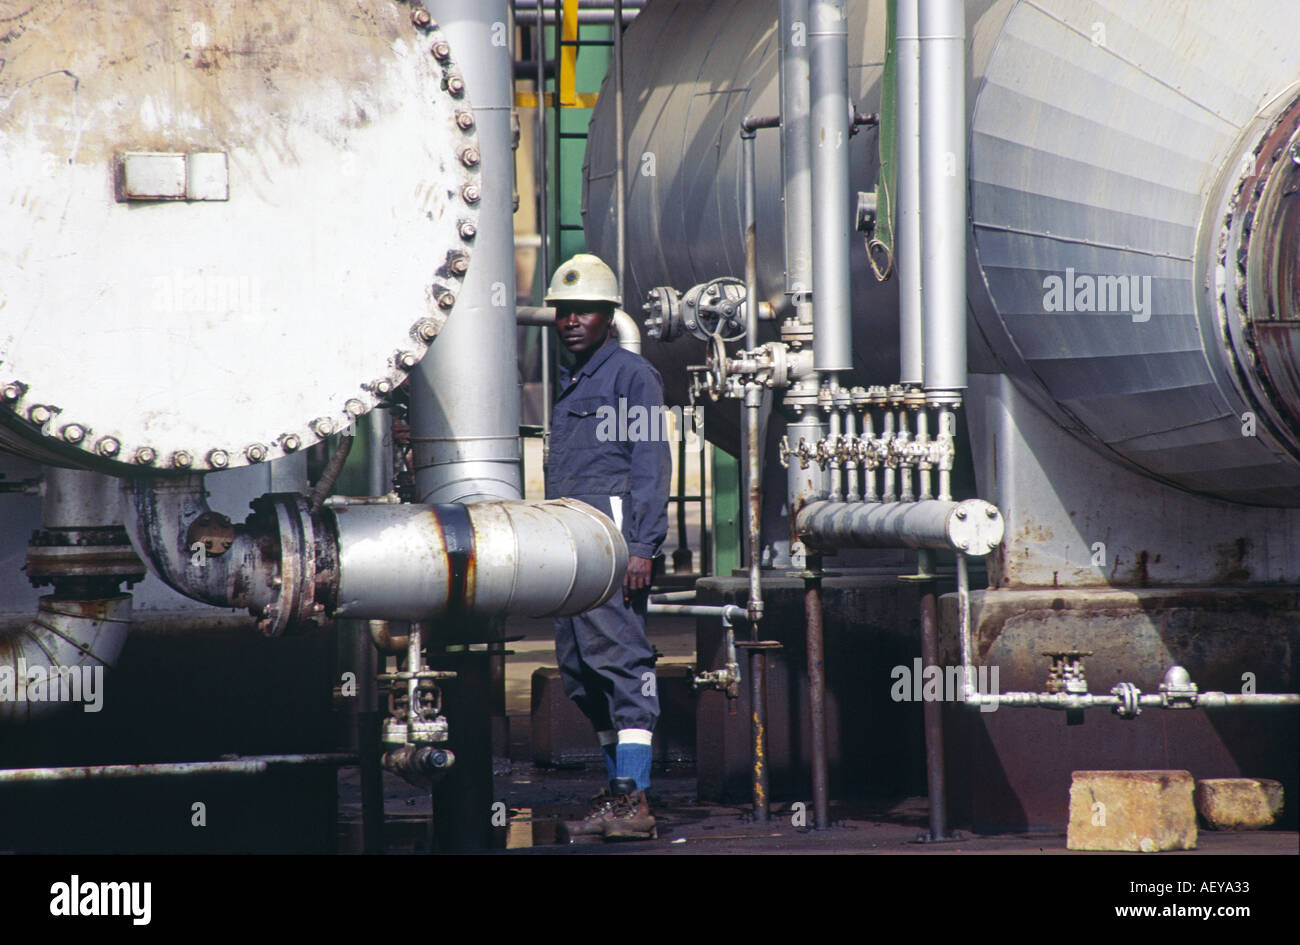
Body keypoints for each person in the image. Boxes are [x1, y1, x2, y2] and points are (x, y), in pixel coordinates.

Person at [543, 253, 671, 842]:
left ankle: (635, 798)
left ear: (608, 315)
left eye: (585, 312)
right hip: (571, 548)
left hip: (613, 545)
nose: (571, 321)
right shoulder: (572, 379)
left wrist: (641, 546)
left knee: (622, 666)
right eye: (564, 312)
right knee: (578, 671)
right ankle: (617, 786)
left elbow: (650, 464)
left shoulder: (631, 376)